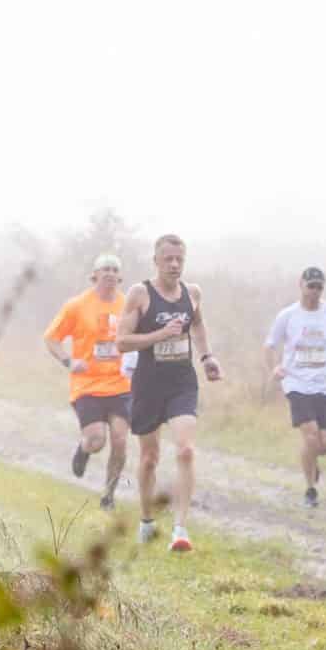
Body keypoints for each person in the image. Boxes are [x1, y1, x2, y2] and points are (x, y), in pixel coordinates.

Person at [116, 233, 223, 552]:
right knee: (150, 458)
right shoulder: (140, 294)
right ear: (156, 261)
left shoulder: (193, 293)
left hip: (182, 382)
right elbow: (122, 341)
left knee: (185, 450)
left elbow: (198, 325)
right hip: (149, 384)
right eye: (168, 260)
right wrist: (160, 333)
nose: (174, 265)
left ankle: (180, 530)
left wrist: (207, 357)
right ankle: (147, 521)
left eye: (179, 259)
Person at [42, 254, 131, 510]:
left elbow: (139, 337)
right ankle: (84, 449)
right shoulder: (77, 305)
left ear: (120, 276)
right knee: (97, 440)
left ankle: (108, 496)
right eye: (105, 269)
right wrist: (68, 361)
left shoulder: (128, 306)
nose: (110, 274)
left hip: (121, 385)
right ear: (95, 275)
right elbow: (51, 338)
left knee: (120, 440)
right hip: (87, 386)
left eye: (115, 270)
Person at [265, 266, 326, 507]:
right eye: (310, 286)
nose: (314, 291)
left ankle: (312, 464)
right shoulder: (288, 315)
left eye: (319, 287)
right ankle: (310, 489)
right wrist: (276, 367)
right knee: (311, 436)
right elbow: (271, 344)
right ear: (301, 285)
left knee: (325, 445)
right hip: (297, 382)